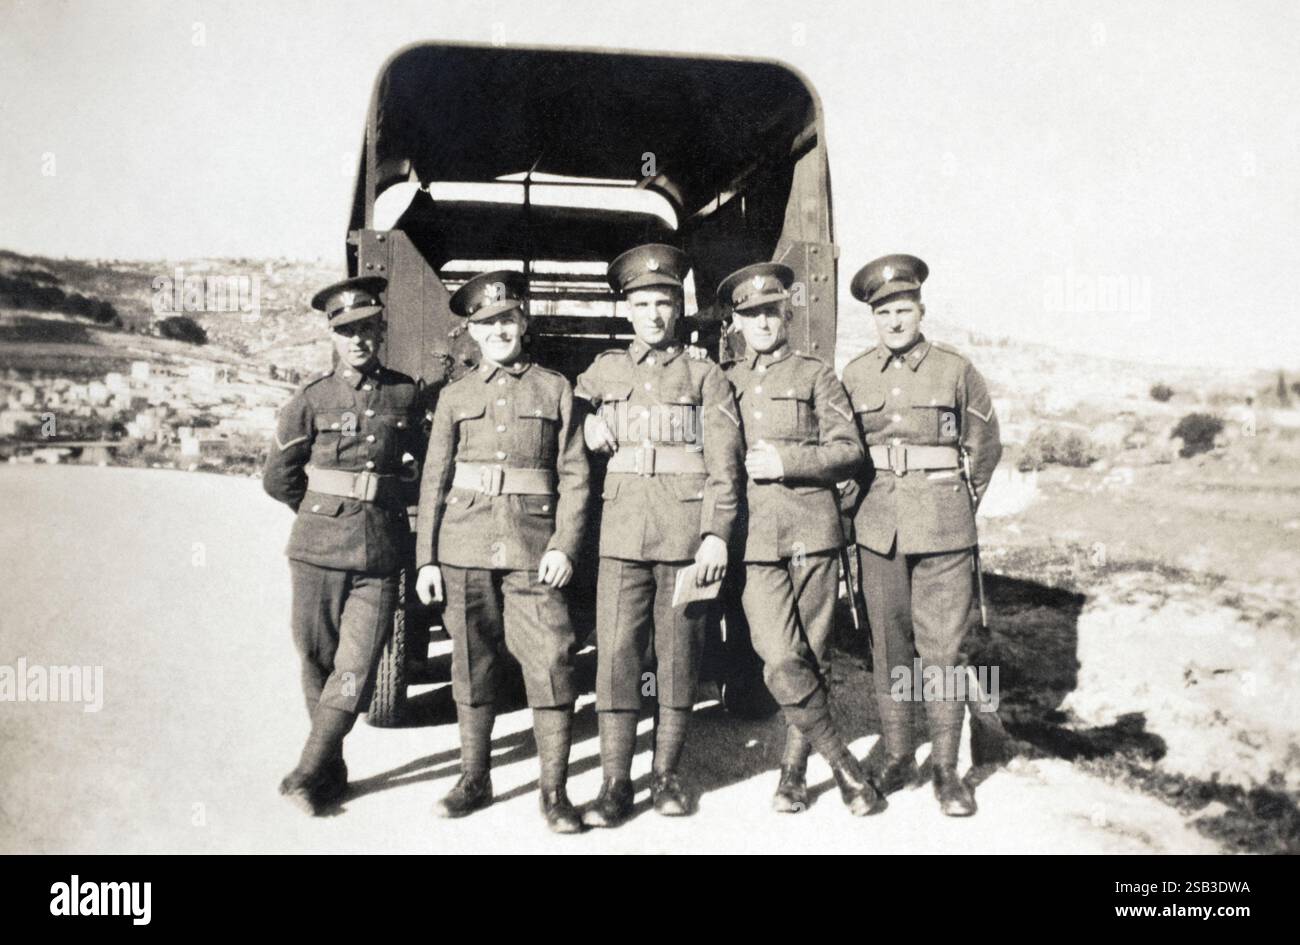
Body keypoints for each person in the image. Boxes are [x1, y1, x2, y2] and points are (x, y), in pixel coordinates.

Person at [413, 270, 590, 835]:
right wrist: (426, 560)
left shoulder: (555, 388)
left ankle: (555, 792)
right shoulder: (455, 397)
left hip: (534, 550)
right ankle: (474, 778)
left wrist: (565, 544)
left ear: (523, 322)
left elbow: (575, 476)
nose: (498, 331)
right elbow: (433, 481)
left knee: (553, 661)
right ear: (471, 332)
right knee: (472, 664)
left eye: (506, 320)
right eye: (486, 323)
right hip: (463, 546)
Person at [575, 244, 744, 828]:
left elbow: (726, 465)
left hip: (683, 537)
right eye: (642, 303)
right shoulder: (603, 371)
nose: (653, 315)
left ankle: (668, 776)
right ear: (627, 310)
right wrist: (588, 420)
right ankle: (615, 784)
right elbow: (568, 415)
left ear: (679, 308)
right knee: (617, 657)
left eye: (664, 303)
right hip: (620, 536)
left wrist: (716, 535)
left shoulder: (706, 376)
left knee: (678, 659)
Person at [717, 262, 885, 816]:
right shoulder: (727, 381)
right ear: (737, 322)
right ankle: (845, 766)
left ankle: (792, 772)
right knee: (779, 655)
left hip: (812, 532)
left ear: (785, 311)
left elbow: (849, 452)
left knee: (813, 655)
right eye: (750, 314)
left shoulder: (817, 375)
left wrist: (788, 460)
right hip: (755, 539)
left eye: (770, 311)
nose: (762, 322)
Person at [841, 254, 1002, 816]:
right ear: (873, 317)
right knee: (889, 650)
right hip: (879, 526)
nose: (894, 320)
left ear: (920, 310)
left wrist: (960, 502)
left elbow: (985, 448)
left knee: (945, 652)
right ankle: (898, 755)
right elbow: (847, 452)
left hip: (943, 527)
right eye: (883, 311)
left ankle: (946, 771)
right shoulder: (855, 375)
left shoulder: (955, 370)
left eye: (902, 309)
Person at [263, 276, 424, 815]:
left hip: (380, 552)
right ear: (332, 336)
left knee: (356, 666)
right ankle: (332, 768)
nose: (358, 341)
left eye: (367, 329)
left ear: (381, 331)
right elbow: (279, 478)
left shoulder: (405, 394)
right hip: (315, 550)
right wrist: (322, 510)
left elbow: (425, 465)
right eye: (346, 331)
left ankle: (306, 772)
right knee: (316, 659)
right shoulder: (310, 400)